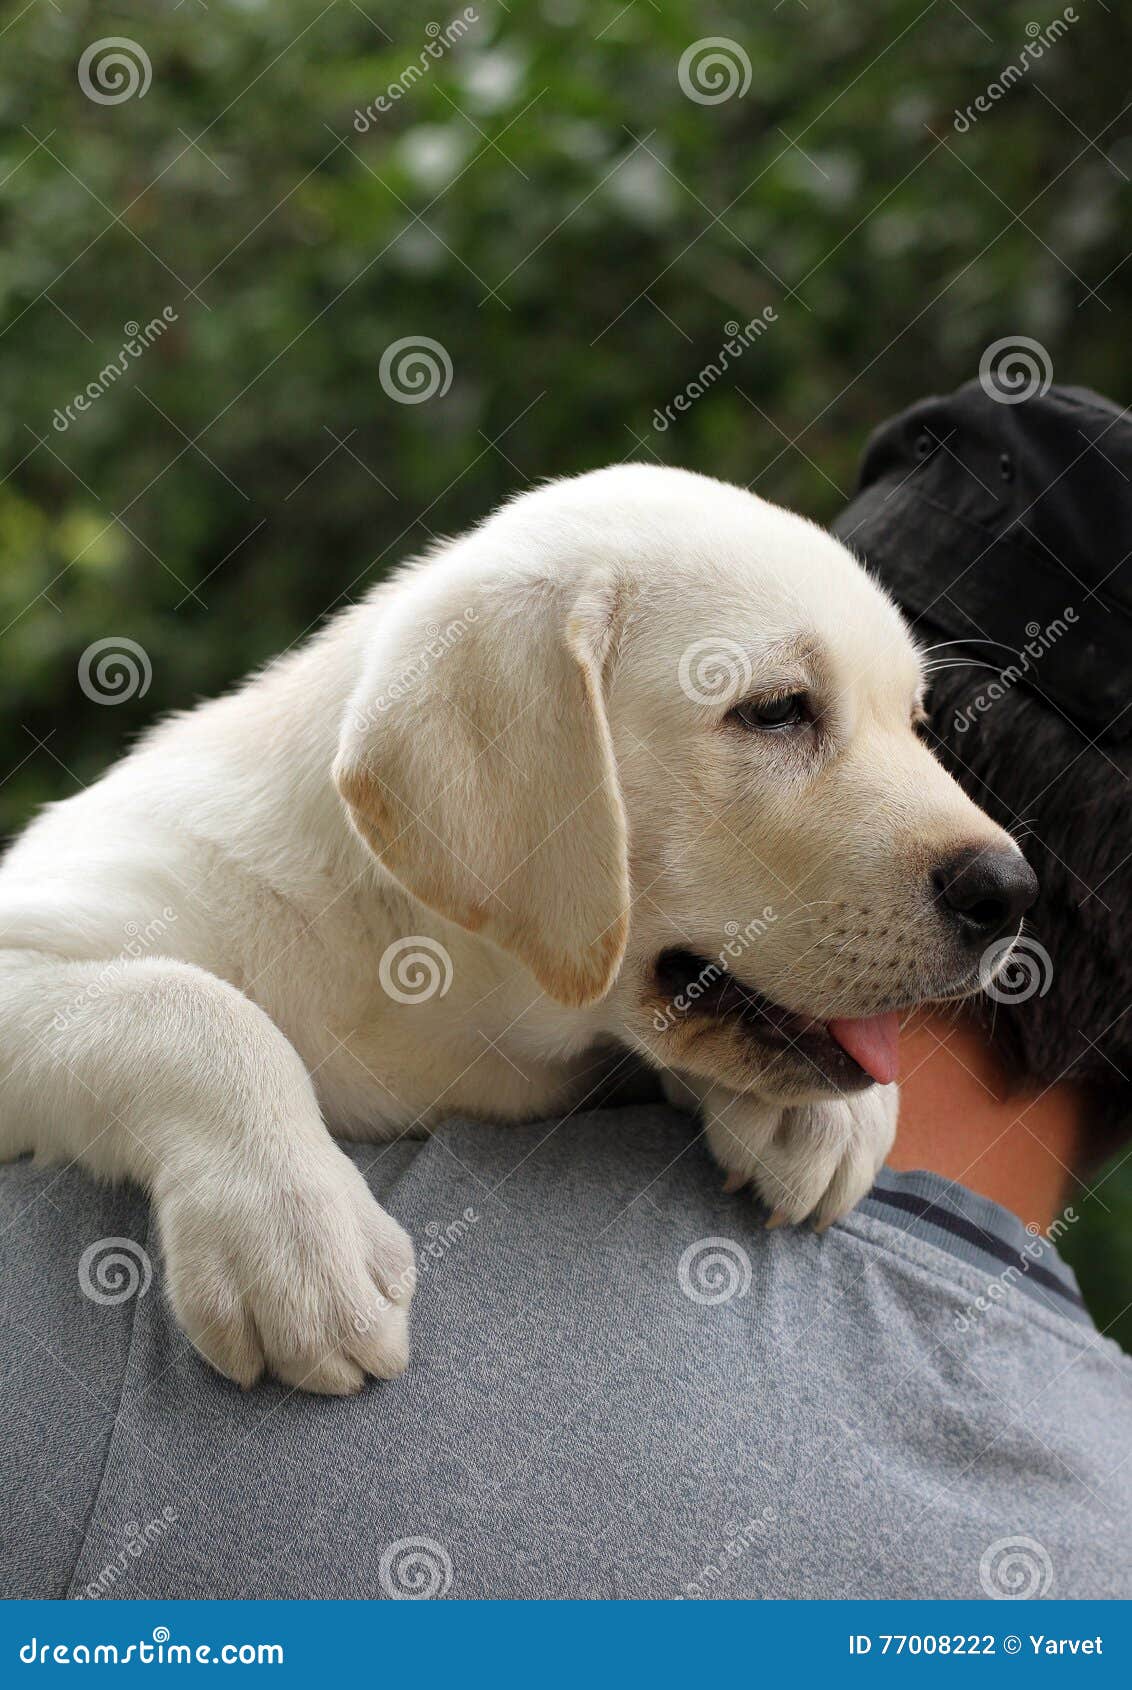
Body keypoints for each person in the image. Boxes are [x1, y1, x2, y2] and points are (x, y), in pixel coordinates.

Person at [1, 382, 1129, 1602]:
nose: (974, 843)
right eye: (778, 713)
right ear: (523, 747)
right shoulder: (190, 867)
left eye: (909, 723)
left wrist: (747, 1035)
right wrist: (206, 1090)